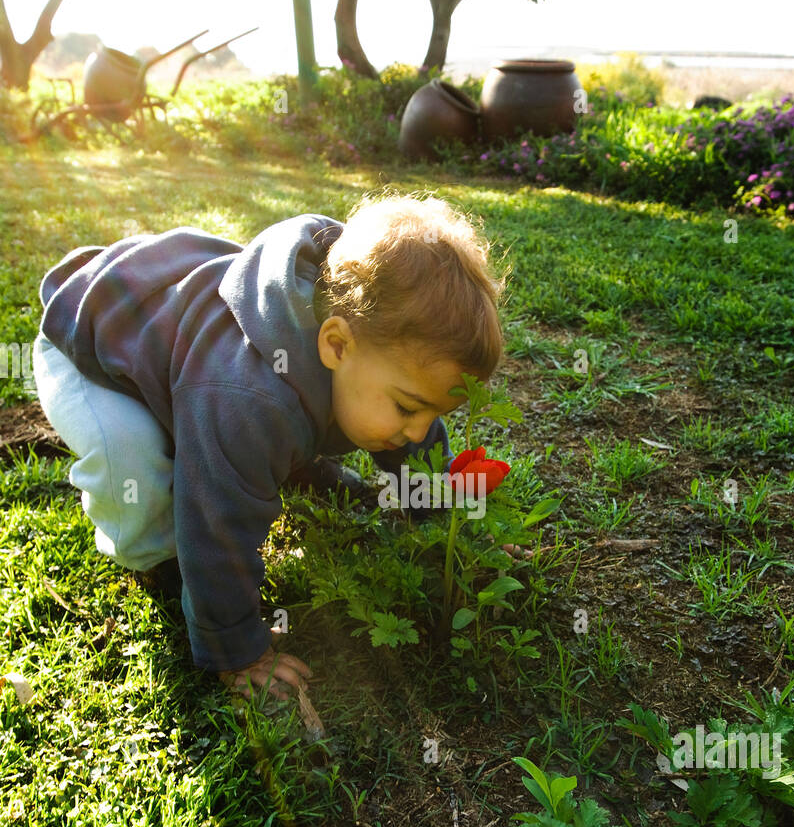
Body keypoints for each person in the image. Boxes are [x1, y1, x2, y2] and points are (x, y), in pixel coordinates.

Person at [32, 192, 505, 704]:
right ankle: (151, 557)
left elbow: (417, 454)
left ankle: (288, 463)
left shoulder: (367, 350)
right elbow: (217, 520)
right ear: (337, 345)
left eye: (436, 414)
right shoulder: (250, 397)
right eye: (409, 408)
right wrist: (237, 649)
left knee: (247, 439)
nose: (419, 431)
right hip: (97, 352)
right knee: (135, 460)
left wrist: (443, 524)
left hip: (187, 361)